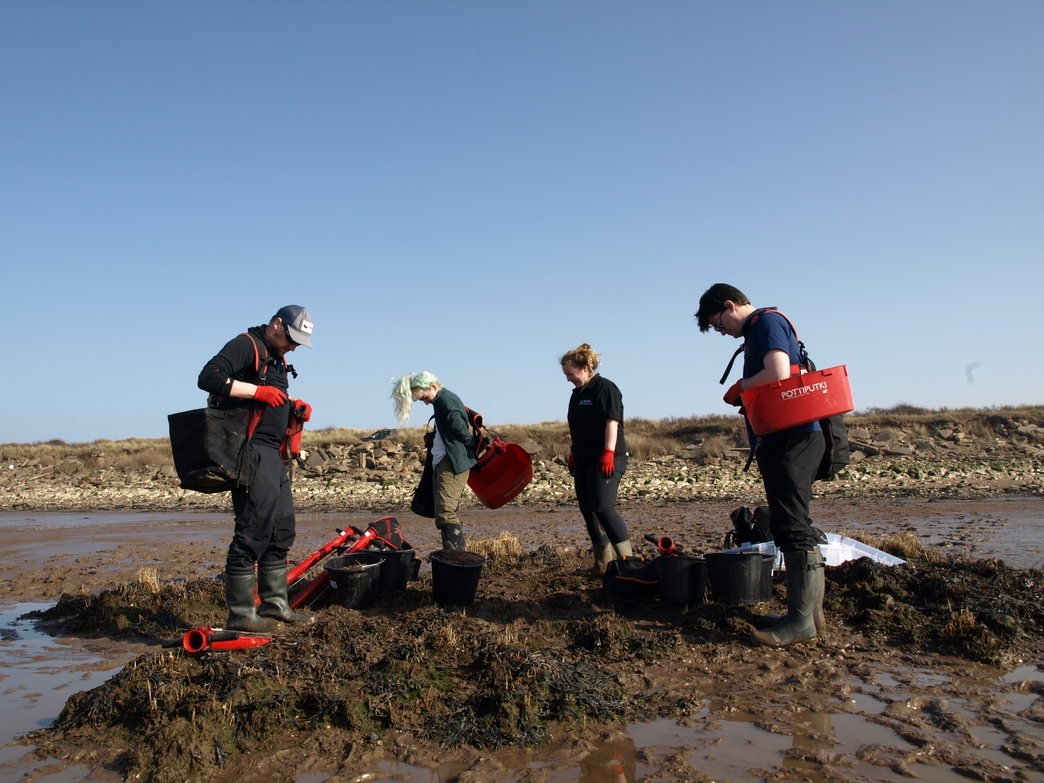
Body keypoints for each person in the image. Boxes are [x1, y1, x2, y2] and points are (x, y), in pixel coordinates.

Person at [695, 284, 826, 647]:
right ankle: (809, 615)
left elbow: (779, 373)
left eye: (719, 324)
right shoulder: (762, 327)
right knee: (792, 524)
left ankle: (801, 622)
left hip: (792, 439)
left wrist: (741, 386)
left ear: (729, 305)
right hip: (790, 439)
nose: (722, 332)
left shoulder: (765, 324)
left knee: (793, 527)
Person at [197, 305, 316, 633]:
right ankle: (241, 614)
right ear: (276, 324)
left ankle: (276, 604)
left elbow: (271, 400)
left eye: (298, 343)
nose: (293, 346)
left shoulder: (277, 358)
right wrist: (257, 391)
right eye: (291, 338)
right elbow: (208, 377)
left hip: (275, 456)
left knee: (281, 530)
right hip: (250, 454)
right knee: (253, 531)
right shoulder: (246, 345)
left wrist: (293, 408)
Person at [560, 344, 633, 576]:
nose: (568, 379)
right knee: (588, 509)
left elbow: (612, 422)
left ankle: (628, 563)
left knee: (603, 508)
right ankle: (602, 565)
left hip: (606, 457)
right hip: (583, 459)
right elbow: (579, 427)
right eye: (566, 375)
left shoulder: (605, 388)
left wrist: (608, 453)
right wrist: (574, 452)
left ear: (584, 368)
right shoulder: (577, 394)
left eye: (570, 374)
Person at [391, 373, 476, 551]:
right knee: (441, 512)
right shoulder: (441, 401)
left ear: (433, 386)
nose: (425, 402)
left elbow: (458, 427)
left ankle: (456, 556)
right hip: (442, 461)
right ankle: (452, 553)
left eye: (424, 397)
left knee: (445, 511)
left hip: (450, 462)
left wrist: (471, 444)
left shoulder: (446, 400)